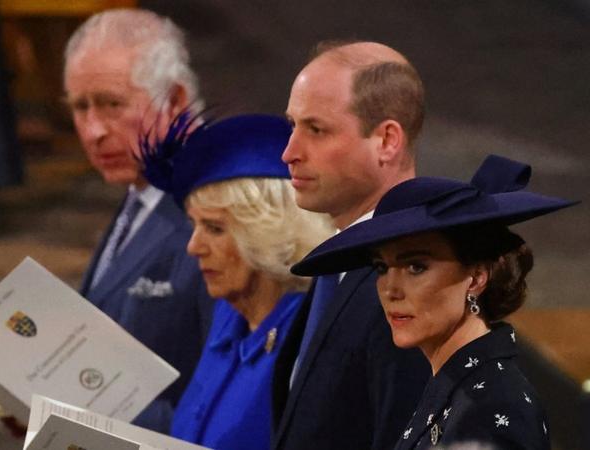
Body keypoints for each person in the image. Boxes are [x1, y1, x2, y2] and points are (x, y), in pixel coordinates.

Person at [291, 154, 575, 449]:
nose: (391, 289)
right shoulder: (458, 384)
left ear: (477, 277)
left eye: (416, 267)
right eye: (381, 267)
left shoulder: (488, 408)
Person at [139, 113, 335, 450]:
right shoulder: (228, 315)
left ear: (268, 233)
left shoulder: (308, 337)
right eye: (193, 225)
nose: (193, 246)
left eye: (214, 228)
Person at [271, 40, 432, 450]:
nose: (289, 152)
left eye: (316, 129)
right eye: (292, 125)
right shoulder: (341, 258)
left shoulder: (413, 280)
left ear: (387, 141)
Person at [63, 9, 213, 432]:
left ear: (176, 99)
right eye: (80, 107)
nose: (93, 131)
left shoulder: (218, 212)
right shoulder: (141, 191)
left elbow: (225, 404)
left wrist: (72, 407)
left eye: (112, 104)